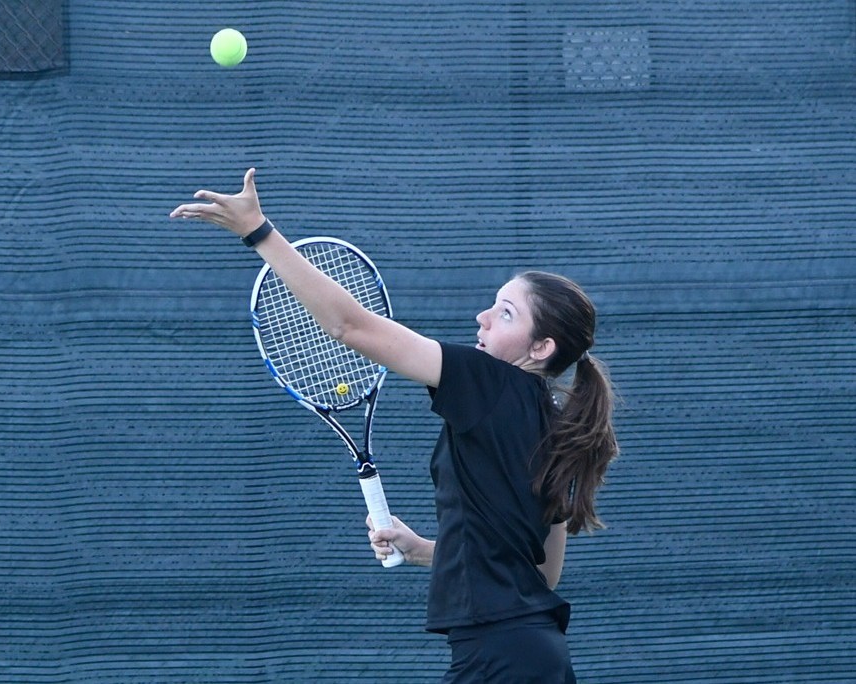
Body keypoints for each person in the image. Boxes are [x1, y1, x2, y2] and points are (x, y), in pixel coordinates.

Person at [171, 168, 619, 683]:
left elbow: (350, 326)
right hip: (535, 655)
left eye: (506, 313)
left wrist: (259, 232)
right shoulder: (559, 427)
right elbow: (541, 573)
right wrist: (429, 551)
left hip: (501, 658)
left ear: (541, 349)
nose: (483, 317)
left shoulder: (490, 382)